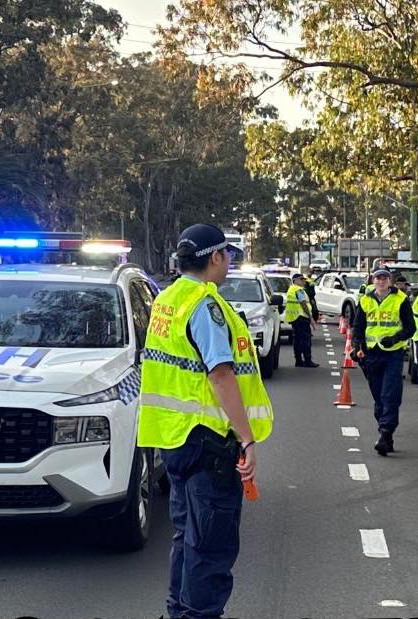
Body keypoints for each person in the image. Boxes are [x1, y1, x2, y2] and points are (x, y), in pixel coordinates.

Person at [137, 223, 274, 619]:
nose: (229, 261)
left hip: (175, 438)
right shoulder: (204, 305)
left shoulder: (168, 298)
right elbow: (220, 374)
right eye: (227, 255)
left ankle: (179, 612)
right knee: (210, 546)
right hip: (207, 441)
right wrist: (246, 439)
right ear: (215, 257)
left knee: (187, 536)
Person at [351, 268, 415, 456]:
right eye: (378, 278)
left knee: (390, 395)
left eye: (384, 278)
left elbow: (410, 328)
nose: (381, 281)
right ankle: (385, 433)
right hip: (371, 355)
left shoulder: (400, 299)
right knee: (379, 397)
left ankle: (386, 432)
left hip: (392, 354)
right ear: (373, 280)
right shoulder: (365, 300)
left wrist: (395, 339)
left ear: (390, 281)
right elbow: (358, 327)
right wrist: (357, 346)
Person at [285, 272, 319, 367]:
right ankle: (307, 360)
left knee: (297, 340)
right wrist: (311, 318)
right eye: (301, 279)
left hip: (295, 318)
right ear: (295, 280)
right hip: (301, 317)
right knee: (306, 340)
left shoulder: (291, 289)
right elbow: (303, 304)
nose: (303, 281)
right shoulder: (298, 290)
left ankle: (299, 360)